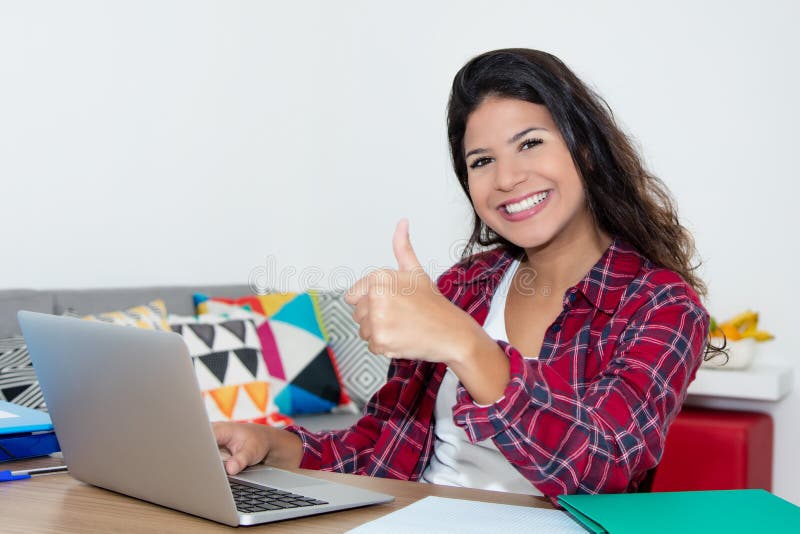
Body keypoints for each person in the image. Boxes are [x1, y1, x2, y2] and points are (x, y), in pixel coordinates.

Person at [213, 48, 711, 497]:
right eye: (482, 161)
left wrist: (466, 345)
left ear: (585, 149)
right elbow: (380, 449)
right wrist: (271, 446)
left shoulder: (662, 305)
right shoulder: (464, 286)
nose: (507, 178)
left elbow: (604, 466)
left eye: (530, 143)